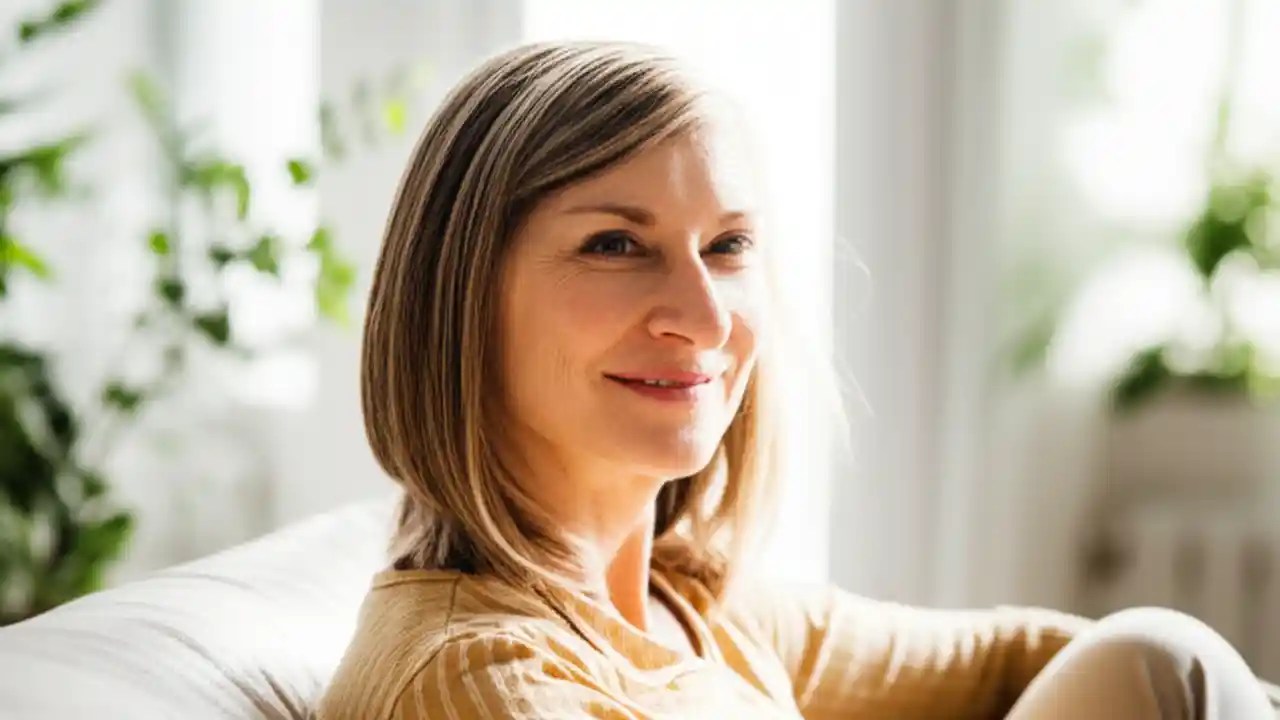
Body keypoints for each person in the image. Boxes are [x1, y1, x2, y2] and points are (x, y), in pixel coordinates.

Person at [317, 41, 1274, 719]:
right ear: (459, 298)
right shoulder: (473, 683)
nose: (702, 316)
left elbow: (1008, 659)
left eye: (728, 245)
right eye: (615, 244)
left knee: (1160, 655)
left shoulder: (692, 606)